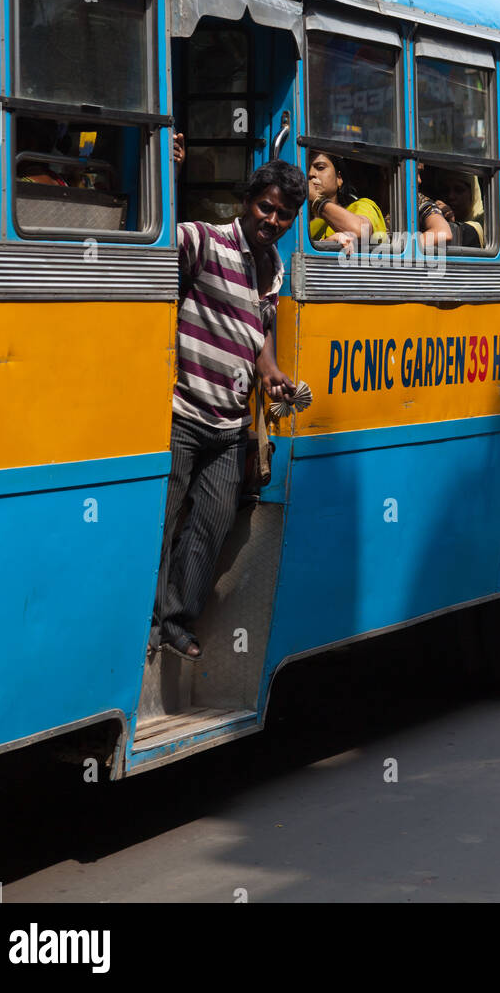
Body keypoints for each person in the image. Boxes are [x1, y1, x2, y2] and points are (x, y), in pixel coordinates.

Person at [151, 149, 307, 661]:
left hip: (230, 425)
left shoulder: (275, 271)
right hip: (182, 414)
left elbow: (259, 337)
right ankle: (147, 626)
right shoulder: (205, 239)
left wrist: (276, 377)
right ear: (246, 203)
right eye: (265, 208)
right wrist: (166, 174)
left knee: (211, 525)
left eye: (283, 214)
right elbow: (157, 244)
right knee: (162, 522)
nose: (272, 220)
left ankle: (175, 622)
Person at [307, 149, 386, 252]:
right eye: (306, 168)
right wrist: (326, 243)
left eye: (320, 167)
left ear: (339, 179)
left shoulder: (361, 206)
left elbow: (360, 231)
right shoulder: (305, 224)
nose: (310, 174)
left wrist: (317, 201)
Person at [435, 170, 485, 248]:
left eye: (459, 190)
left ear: (473, 194)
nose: (451, 196)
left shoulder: (488, 223)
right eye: (445, 190)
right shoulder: (438, 216)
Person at [415, 161, 453, 250]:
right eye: (414, 172)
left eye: (420, 173)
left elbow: (443, 233)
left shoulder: (418, 199)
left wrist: (398, 247)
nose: (419, 180)